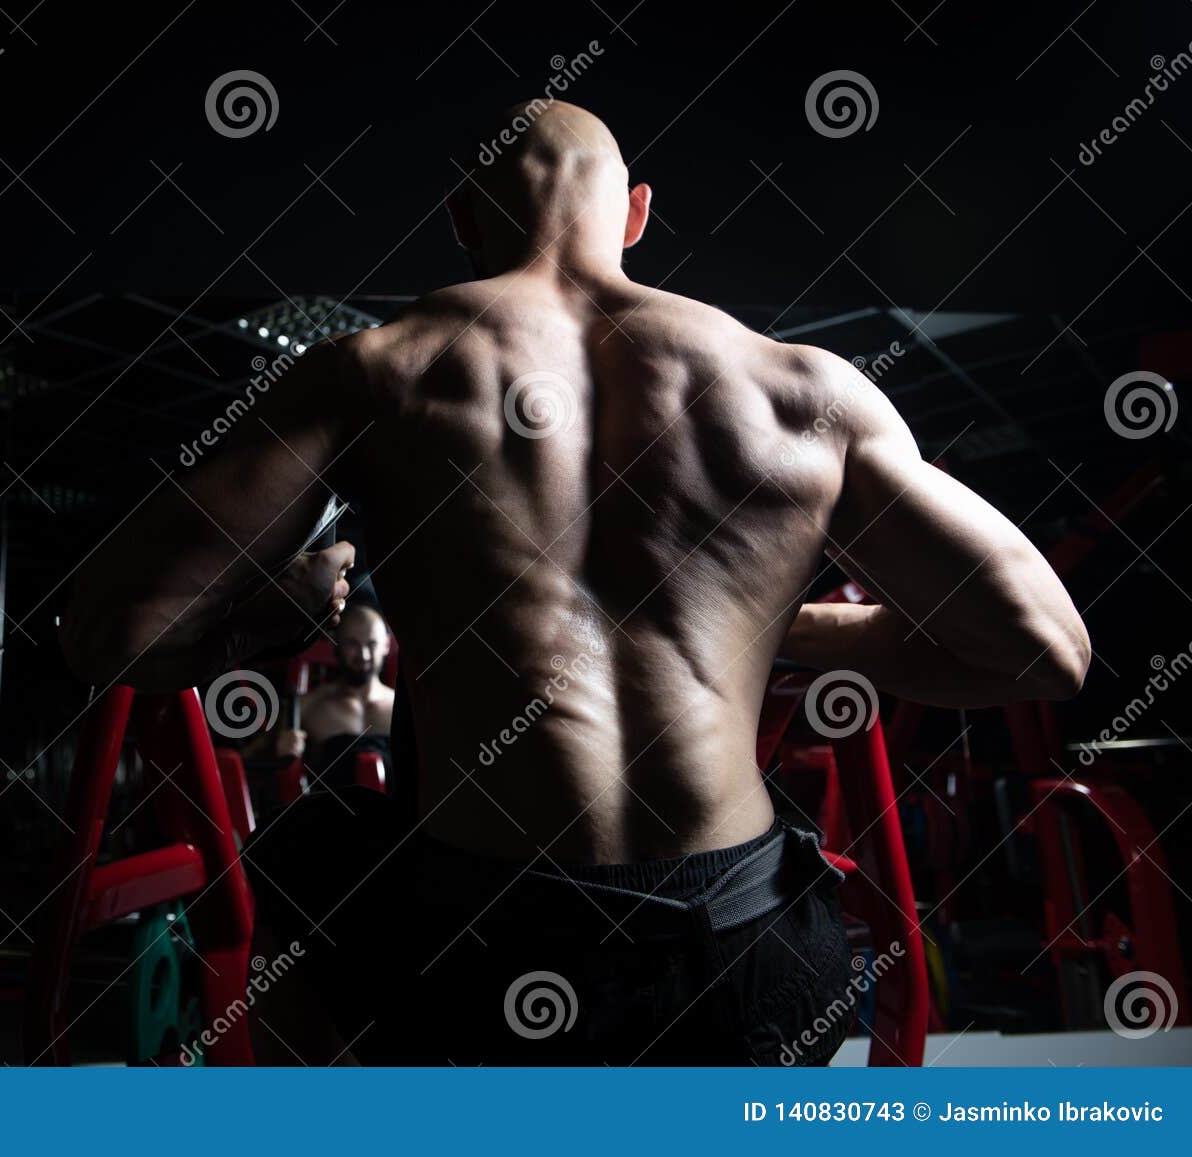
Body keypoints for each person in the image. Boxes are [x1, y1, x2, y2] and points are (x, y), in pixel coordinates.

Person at [61, 101, 1089, 1065]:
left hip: (481, 950)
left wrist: (266, 625)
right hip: (740, 945)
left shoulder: (374, 371)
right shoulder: (802, 387)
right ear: (636, 215)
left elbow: (114, 628)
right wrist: (776, 625)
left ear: (461, 218)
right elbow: (1044, 647)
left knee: (303, 891)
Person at [244, 603, 396, 791]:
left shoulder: (406, 709)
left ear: (387, 645)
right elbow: (246, 766)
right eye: (352, 644)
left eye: (371, 644)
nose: (363, 655)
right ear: (336, 645)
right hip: (330, 817)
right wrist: (276, 754)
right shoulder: (306, 706)